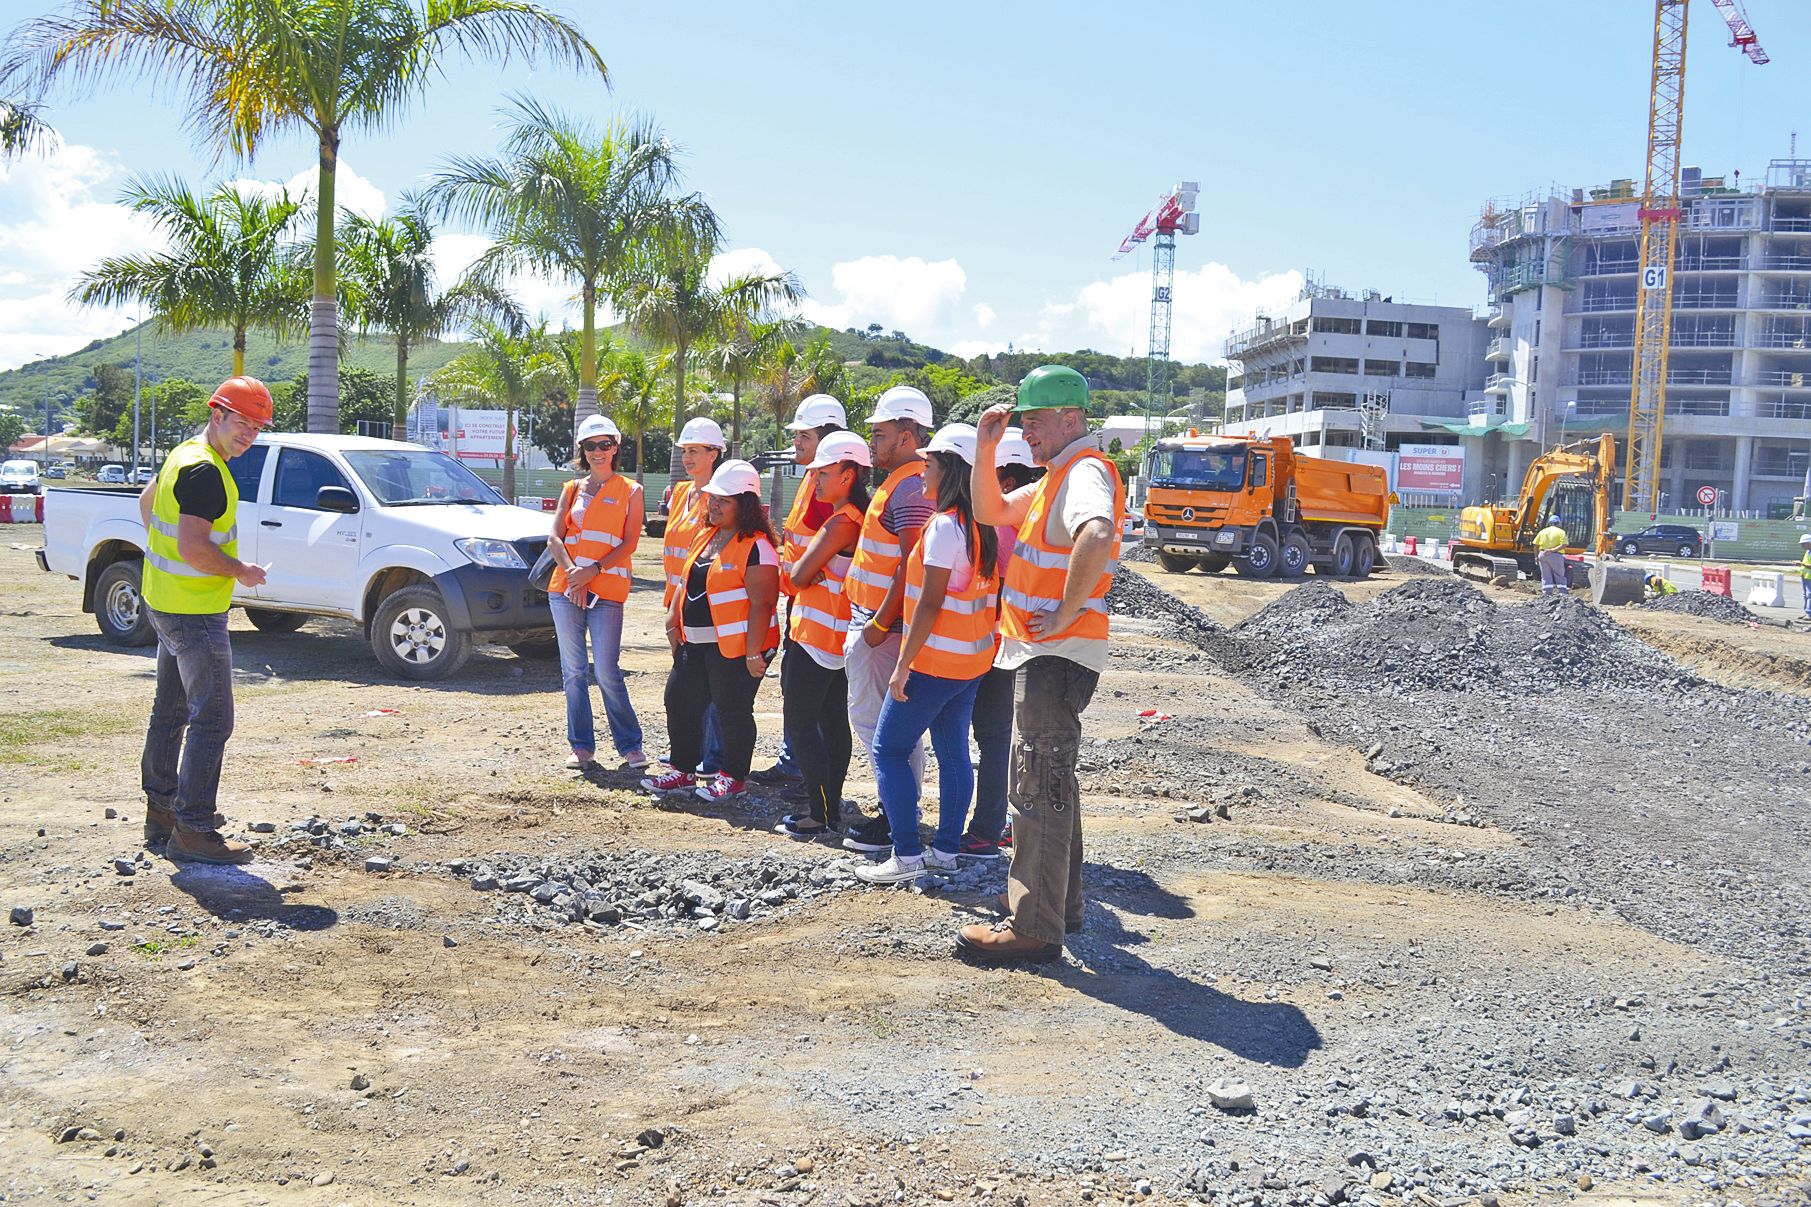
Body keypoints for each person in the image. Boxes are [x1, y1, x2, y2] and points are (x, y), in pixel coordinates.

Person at [957, 366, 1125, 963]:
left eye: (1034, 422)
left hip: (1056, 655)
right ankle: (1062, 909)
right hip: (1047, 654)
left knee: (1037, 787)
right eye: (1022, 423)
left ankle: (1032, 926)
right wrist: (982, 446)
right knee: (1052, 783)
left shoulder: (1082, 474)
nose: (1024, 435)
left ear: (1071, 420)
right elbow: (990, 509)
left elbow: (1097, 534)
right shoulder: (1057, 478)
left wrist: (1063, 614)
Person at [138, 376, 274, 865]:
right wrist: (242, 571)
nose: (249, 435)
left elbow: (146, 505)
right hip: (193, 613)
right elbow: (194, 547)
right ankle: (192, 827)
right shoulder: (205, 471)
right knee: (212, 719)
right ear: (217, 414)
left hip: (164, 602)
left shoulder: (186, 453)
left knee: (171, 712)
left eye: (257, 427)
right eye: (242, 423)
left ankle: (162, 812)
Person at [858, 424, 1000, 883]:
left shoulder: (943, 527)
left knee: (889, 750)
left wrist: (902, 666)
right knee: (954, 751)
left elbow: (930, 602)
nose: (923, 473)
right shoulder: (982, 527)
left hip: (934, 663)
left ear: (951, 470)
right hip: (970, 662)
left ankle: (905, 855)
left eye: (931, 465)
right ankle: (944, 850)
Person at [643, 459, 781, 803]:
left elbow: (763, 604)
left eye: (724, 500)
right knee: (679, 701)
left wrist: (753, 653)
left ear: (745, 504)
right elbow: (686, 580)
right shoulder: (706, 536)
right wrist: (673, 621)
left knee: (731, 710)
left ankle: (733, 778)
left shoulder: (758, 547)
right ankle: (683, 771)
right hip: (696, 644)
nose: (714, 504)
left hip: (735, 650)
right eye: (712, 498)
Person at [840, 386, 936, 855]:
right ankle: (898, 808)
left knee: (883, 727)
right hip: (880, 622)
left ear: (907, 434)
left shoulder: (912, 484)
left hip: (884, 628)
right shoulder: (905, 480)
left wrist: (881, 622)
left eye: (879, 434)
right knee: (884, 725)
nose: (871, 443)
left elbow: (914, 560)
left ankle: (899, 814)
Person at [775, 431, 870, 837]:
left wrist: (804, 574)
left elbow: (797, 576)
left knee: (802, 721)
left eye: (823, 474)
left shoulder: (842, 522)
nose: (815, 480)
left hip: (817, 637)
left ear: (848, 475)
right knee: (832, 722)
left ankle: (820, 812)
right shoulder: (857, 517)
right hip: (835, 637)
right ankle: (827, 808)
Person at [754, 394, 849, 787]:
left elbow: (828, 547)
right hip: (802, 600)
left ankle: (808, 774)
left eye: (804, 436)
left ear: (827, 437)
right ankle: (797, 763)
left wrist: (802, 576)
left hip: (817, 606)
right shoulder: (813, 479)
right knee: (804, 698)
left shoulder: (827, 488)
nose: (797, 443)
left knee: (811, 702)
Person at [959, 428, 1041, 861]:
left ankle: (984, 831)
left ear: (1005, 481)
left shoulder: (1000, 525)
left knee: (986, 738)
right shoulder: (1034, 516)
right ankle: (997, 825)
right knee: (998, 739)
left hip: (985, 646)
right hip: (1012, 644)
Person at [547, 415, 647, 771]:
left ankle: (630, 745)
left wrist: (593, 572)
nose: (598, 451)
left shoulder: (631, 490)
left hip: (605, 590)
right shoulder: (571, 489)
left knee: (606, 670)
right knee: (573, 671)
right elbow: (554, 537)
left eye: (605, 445)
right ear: (583, 451)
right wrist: (574, 575)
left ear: (616, 448)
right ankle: (581, 747)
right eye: (591, 446)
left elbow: (630, 541)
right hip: (566, 589)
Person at [663, 416, 728, 777]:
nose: (687, 458)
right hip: (678, 600)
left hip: (702, 605)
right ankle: (692, 751)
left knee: (712, 684)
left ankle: (714, 757)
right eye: (685, 451)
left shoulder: (718, 499)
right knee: (688, 684)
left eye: (695, 451)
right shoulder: (682, 493)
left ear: (714, 453)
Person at [1533, 514, 1570, 597]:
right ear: (1558, 523)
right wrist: (1552, 550)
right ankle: (1563, 593)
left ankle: (1546, 593)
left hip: (1542, 555)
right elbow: (1564, 544)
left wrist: (1536, 557)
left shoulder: (1542, 532)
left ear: (1549, 523)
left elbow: (1535, 545)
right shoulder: (1561, 532)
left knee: (1546, 575)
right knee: (1559, 574)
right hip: (1556, 555)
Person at [1799, 534, 1811, 620]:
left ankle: (1809, 612)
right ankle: (1806, 611)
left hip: (1810, 577)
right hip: (1805, 576)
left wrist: (1802, 564)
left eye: (1803, 544)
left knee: (1809, 595)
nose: (1802, 545)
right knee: (1805, 595)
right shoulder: (1807, 552)